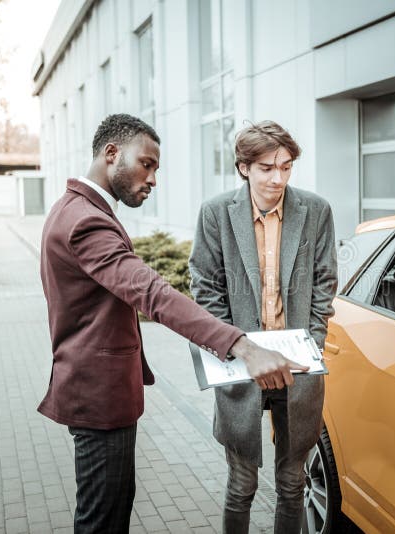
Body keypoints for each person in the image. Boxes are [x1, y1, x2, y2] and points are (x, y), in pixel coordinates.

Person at [38, 113, 306, 533]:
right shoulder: (85, 220)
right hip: (97, 394)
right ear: (112, 154)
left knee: (111, 511)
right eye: (147, 164)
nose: (153, 179)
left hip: (99, 392)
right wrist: (243, 345)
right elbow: (153, 294)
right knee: (102, 521)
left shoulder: (78, 208)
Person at [189, 120, 338, 533]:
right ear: (244, 168)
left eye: (286, 167)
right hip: (240, 363)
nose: (278, 178)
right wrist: (232, 346)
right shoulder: (217, 213)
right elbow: (205, 286)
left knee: (292, 483)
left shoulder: (315, 210)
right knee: (242, 484)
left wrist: (314, 342)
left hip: (297, 366)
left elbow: (325, 281)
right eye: (267, 168)